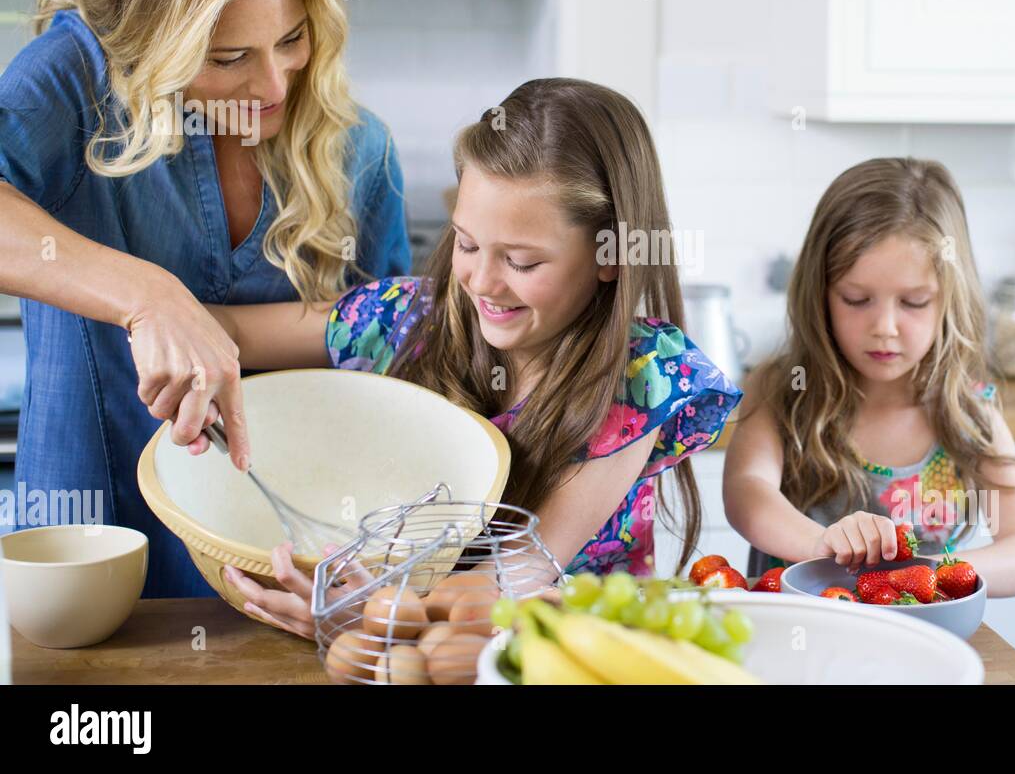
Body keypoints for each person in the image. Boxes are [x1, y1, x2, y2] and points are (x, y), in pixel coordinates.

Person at [203, 78, 742, 639]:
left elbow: (517, 574)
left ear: (610, 256)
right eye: (465, 243)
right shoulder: (407, 318)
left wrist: (367, 615)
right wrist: (164, 325)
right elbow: (231, 328)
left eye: (522, 262)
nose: (481, 282)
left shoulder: (639, 375)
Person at [0, 0, 409, 597]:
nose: (276, 86)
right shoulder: (75, 82)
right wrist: (150, 297)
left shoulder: (360, 151)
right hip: (91, 553)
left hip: (291, 557)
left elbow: (390, 367)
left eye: (291, 40)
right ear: (149, 44)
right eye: (228, 59)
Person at [723, 158, 1015, 598]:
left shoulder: (966, 410)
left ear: (949, 301)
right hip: (802, 641)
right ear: (819, 292)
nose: (885, 326)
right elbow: (746, 493)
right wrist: (822, 544)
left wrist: (921, 572)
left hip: (924, 648)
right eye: (856, 298)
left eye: (914, 302)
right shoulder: (782, 390)